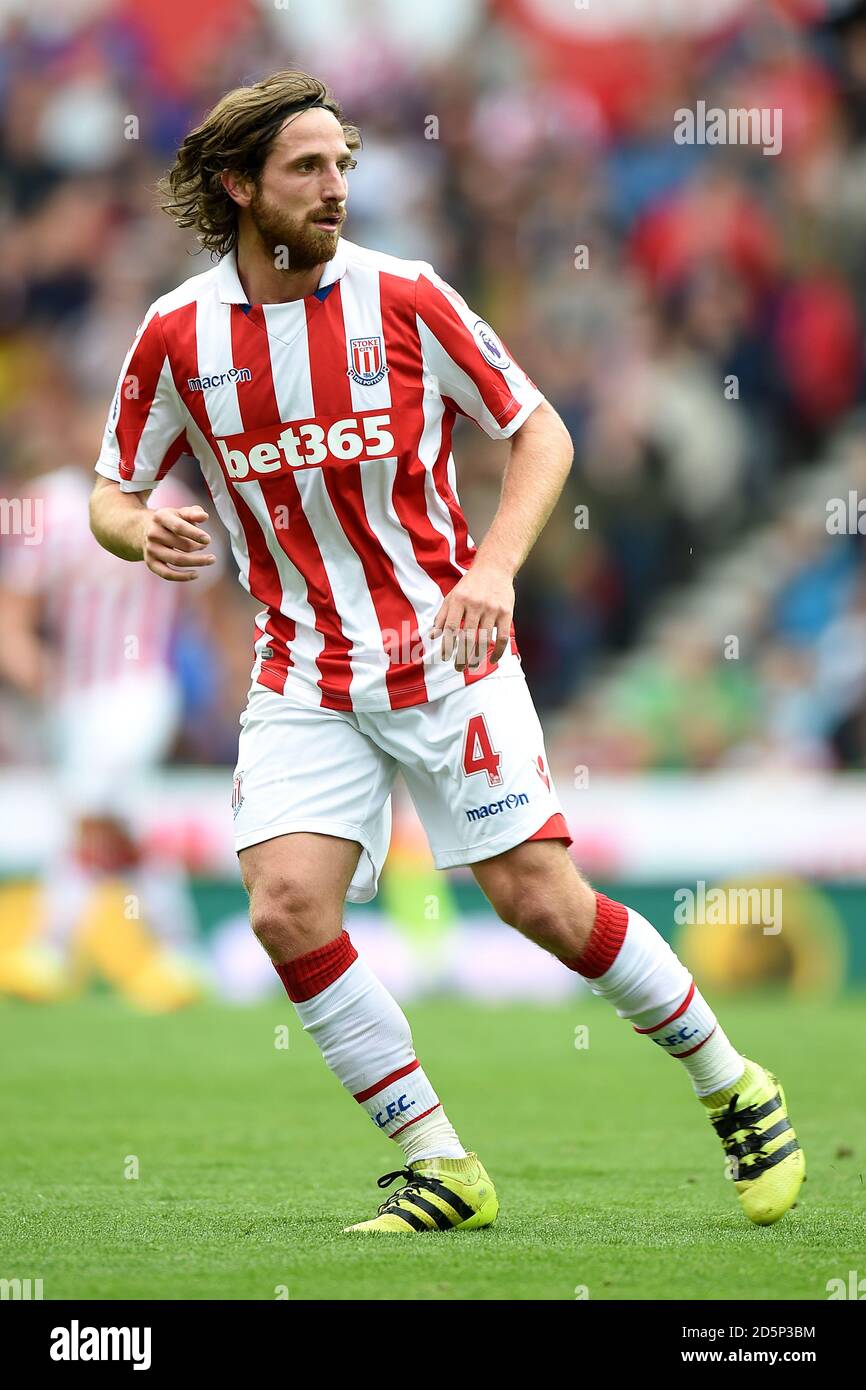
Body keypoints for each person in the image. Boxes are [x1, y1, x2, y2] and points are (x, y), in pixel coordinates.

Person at [89, 69, 803, 1232]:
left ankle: (734, 1085)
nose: (335, 189)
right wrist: (142, 529)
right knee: (284, 906)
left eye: (342, 165)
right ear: (237, 187)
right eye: (306, 170)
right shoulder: (176, 335)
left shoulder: (407, 297)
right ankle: (442, 1164)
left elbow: (538, 430)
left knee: (538, 901)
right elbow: (109, 492)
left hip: (444, 646)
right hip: (302, 666)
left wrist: (492, 567)